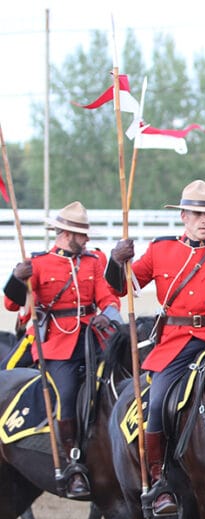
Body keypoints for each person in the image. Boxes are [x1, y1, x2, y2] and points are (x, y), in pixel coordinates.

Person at [107, 180, 205, 517]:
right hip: (173, 346)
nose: (204, 220)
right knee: (157, 403)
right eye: (197, 214)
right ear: (184, 216)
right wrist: (117, 261)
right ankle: (159, 482)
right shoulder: (161, 250)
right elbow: (124, 286)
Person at [2, 201, 122, 499]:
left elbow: (109, 297)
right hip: (58, 344)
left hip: (93, 339)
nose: (86, 240)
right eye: (81, 235)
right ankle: (72, 465)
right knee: (66, 396)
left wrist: (108, 311)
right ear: (65, 233)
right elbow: (11, 305)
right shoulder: (38, 263)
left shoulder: (93, 261)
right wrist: (18, 278)